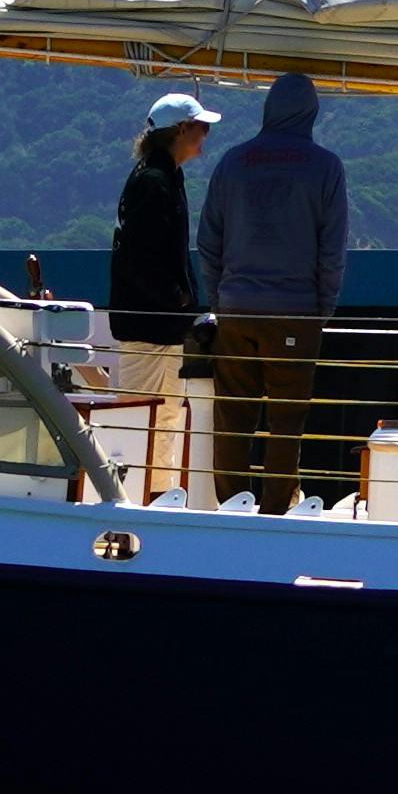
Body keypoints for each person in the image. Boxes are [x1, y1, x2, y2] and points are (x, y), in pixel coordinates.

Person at [192, 70, 351, 502]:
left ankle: (230, 503)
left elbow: (208, 242)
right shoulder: (326, 167)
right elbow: (331, 251)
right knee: (286, 419)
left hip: (236, 307)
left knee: (233, 415)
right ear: (311, 113)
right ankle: (277, 507)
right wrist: (322, 311)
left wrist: (219, 300)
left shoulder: (232, 161)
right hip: (295, 313)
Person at [102, 93, 210, 340]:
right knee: (143, 381)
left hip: (157, 324)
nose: (206, 134)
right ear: (182, 130)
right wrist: (179, 299)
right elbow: (138, 258)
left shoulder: (161, 176)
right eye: (203, 127)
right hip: (148, 326)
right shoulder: (154, 182)